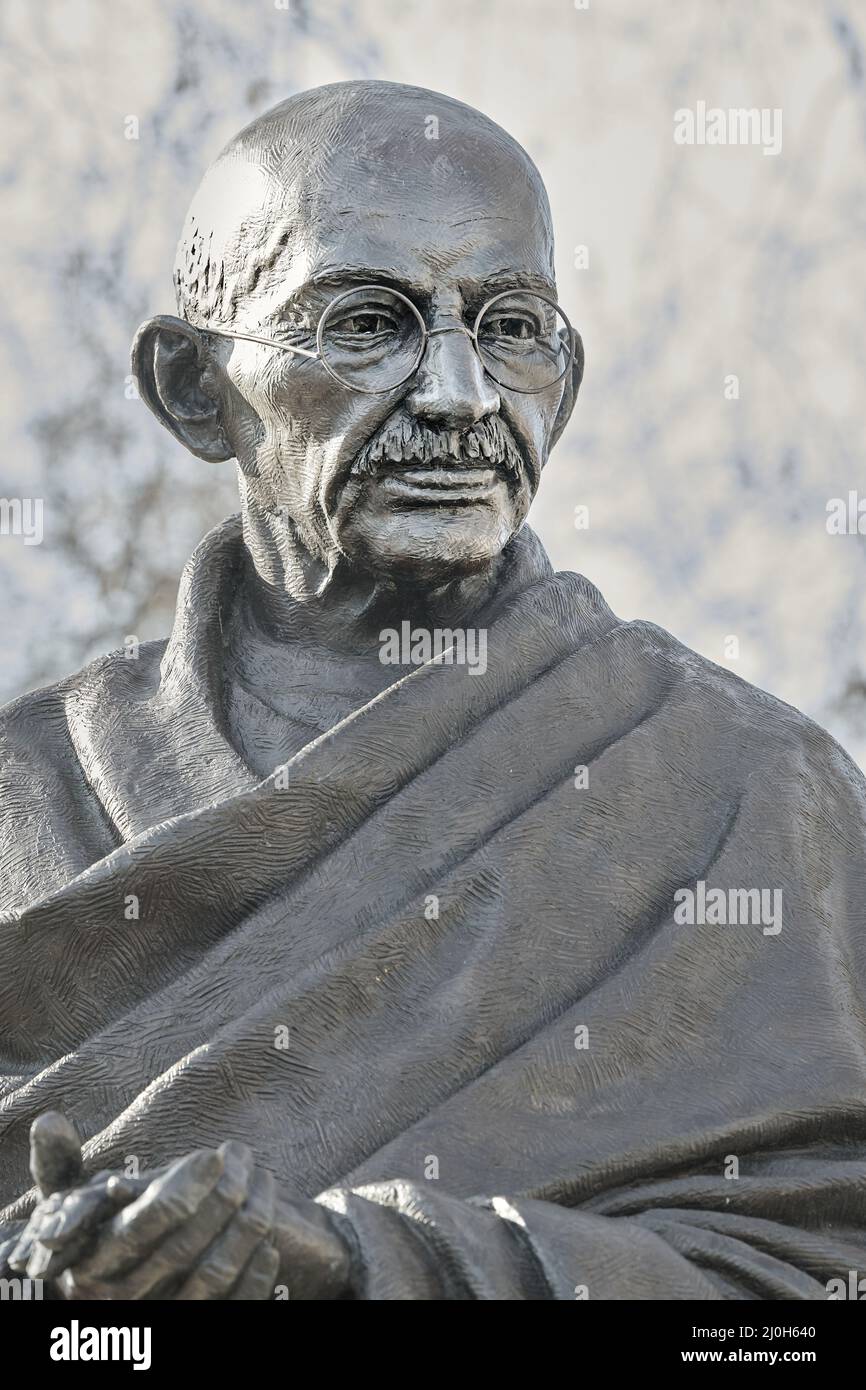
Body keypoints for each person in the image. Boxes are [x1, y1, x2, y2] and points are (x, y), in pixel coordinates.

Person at [1, 81, 864, 1300]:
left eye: (512, 327)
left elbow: (808, 1300)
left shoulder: (745, 788)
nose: (460, 398)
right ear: (196, 389)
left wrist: (363, 1265)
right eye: (364, 325)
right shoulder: (24, 801)